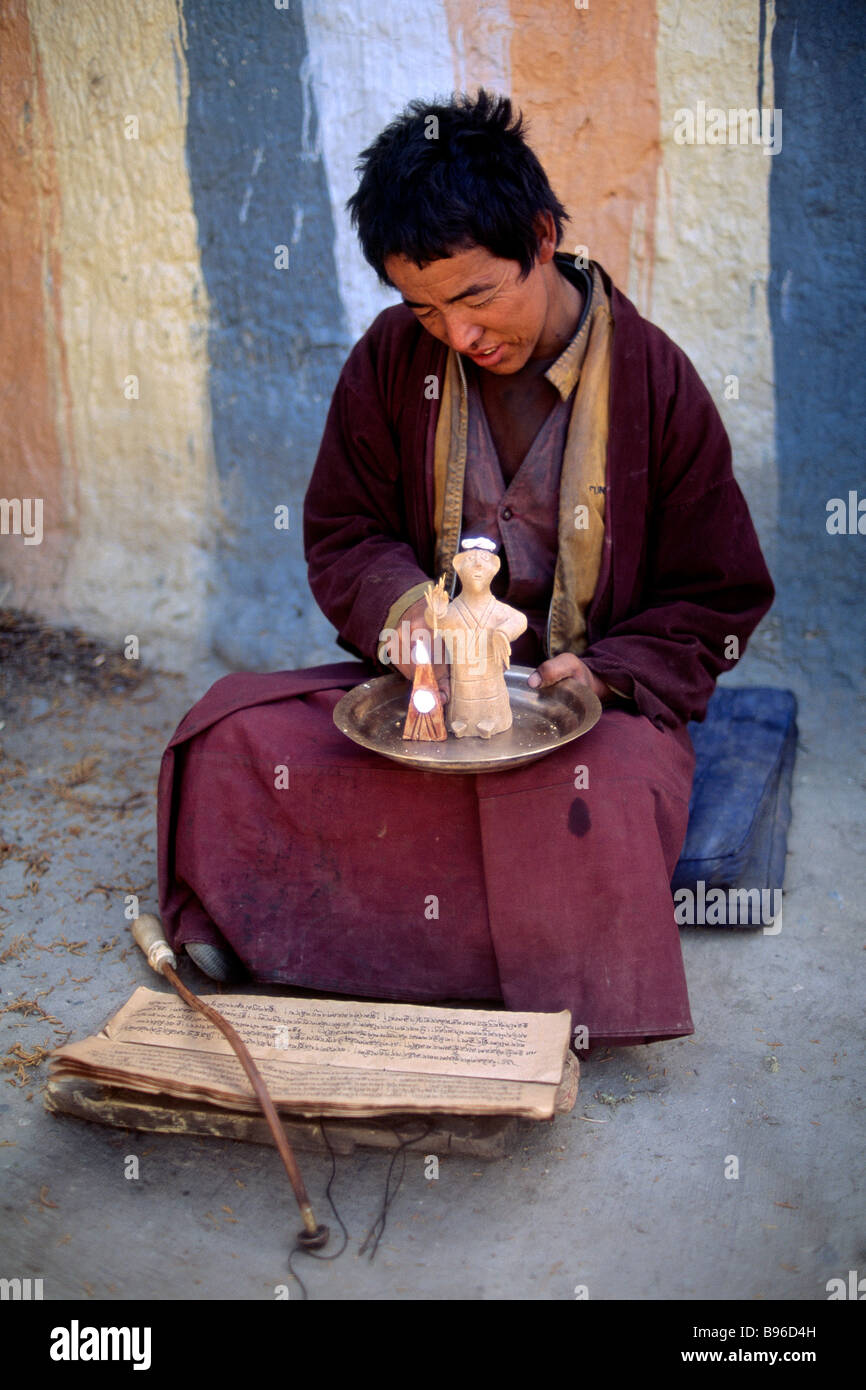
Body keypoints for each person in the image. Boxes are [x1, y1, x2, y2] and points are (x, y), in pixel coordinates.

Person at [157, 90, 774, 1048]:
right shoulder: (394, 360)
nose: (459, 335)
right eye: (425, 308)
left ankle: (358, 945)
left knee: (595, 803)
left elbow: (719, 596)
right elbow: (344, 527)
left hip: (585, 714)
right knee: (228, 738)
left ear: (539, 235)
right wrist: (412, 619)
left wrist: (611, 671)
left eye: (478, 296)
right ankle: (453, 951)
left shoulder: (655, 382)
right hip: (428, 694)